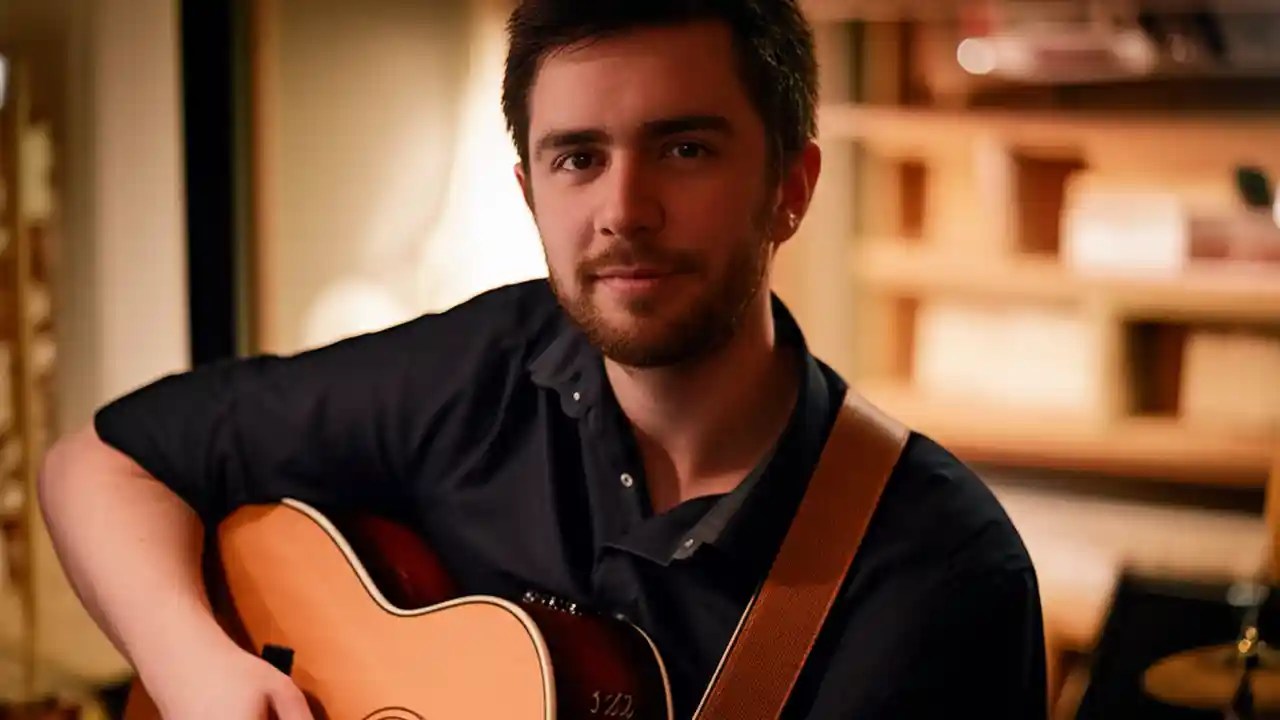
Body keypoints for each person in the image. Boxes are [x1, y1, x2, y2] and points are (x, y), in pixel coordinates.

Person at [38, 1, 1047, 717]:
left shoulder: (938, 575)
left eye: (683, 148)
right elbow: (103, 460)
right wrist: (195, 669)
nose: (621, 210)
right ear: (530, 193)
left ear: (790, 186)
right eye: (577, 158)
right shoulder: (479, 366)